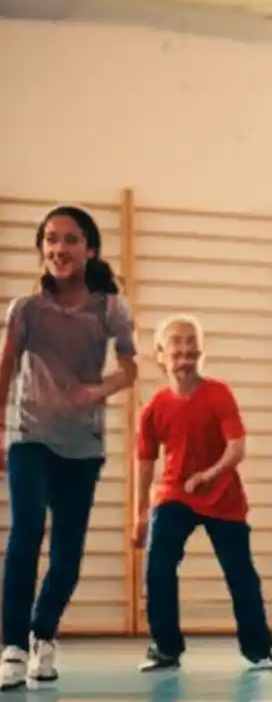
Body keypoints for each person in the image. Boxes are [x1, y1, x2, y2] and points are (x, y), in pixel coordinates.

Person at [0, 206, 138, 691]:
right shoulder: (25, 309)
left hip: (82, 445)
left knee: (66, 551)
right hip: (29, 435)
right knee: (26, 531)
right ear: (41, 248)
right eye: (51, 239)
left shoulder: (111, 309)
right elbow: (5, 370)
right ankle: (12, 646)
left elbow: (129, 370)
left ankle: (44, 635)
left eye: (71, 239)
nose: (59, 248)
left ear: (90, 249)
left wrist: (97, 391)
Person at [132, 315, 272, 672]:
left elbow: (237, 447)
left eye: (190, 342)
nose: (184, 351)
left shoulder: (218, 393)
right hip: (174, 495)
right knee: (158, 569)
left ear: (201, 350)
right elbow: (145, 462)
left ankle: (259, 650)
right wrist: (139, 514)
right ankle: (166, 648)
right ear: (160, 354)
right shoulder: (154, 407)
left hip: (222, 497)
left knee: (240, 572)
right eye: (176, 343)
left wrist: (209, 475)